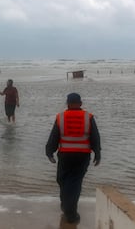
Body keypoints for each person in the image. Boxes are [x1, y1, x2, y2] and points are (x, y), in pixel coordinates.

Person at [45, 92, 101, 224]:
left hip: (65, 156)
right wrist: (97, 153)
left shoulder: (60, 117)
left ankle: (69, 210)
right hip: (82, 156)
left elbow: (54, 137)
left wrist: (49, 152)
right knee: (75, 182)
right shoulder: (89, 117)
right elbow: (95, 137)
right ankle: (68, 207)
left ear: (67, 104)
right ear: (80, 103)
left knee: (63, 180)